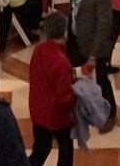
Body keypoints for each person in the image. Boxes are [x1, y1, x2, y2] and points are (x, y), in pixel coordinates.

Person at [68, 0, 117, 131]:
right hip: (77, 41)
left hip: (95, 47)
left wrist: (93, 55)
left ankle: (111, 115)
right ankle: (83, 110)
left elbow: (103, 26)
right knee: (78, 78)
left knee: (102, 82)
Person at [28, 11, 75, 166]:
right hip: (56, 116)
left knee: (41, 149)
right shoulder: (62, 62)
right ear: (64, 31)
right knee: (66, 150)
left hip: (37, 110)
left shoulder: (38, 50)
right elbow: (64, 98)